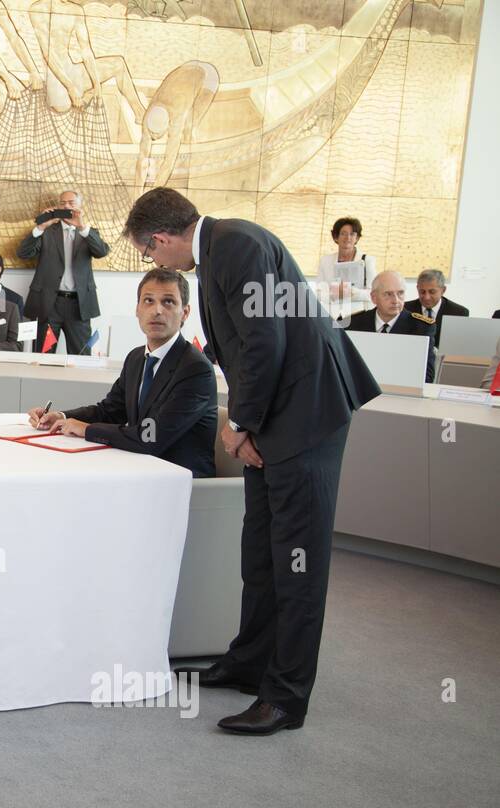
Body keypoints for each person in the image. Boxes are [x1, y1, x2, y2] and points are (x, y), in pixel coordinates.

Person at [123, 187, 380, 736]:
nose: (157, 264)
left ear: (161, 239)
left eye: (151, 254)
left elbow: (265, 343)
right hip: (275, 416)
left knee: (298, 560)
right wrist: (247, 423)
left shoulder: (236, 244)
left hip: (307, 414)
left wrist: (238, 424)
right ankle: (250, 662)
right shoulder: (221, 248)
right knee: (262, 550)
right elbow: (244, 349)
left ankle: (286, 696)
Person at [27, 268, 217, 477]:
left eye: (168, 302)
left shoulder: (195, 368)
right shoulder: (136, 358)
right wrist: (62, 417)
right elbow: (110, 411)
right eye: (148, 301)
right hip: (140, 469)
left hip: (181, 481)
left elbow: (150, 436)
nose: (157, 311)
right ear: (137, 310)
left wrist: (86, 429)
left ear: (185, 313)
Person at [16, 188, 109, 353]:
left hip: (78, 306)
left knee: (81, 356)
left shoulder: (88, 232)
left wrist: (82, 227)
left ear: (79, 207)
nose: (66, 206)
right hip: (50, 304)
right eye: (62, 203)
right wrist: (41, 227)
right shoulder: (47, 232)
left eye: (71, 203)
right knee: (44, 354)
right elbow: (23, 253)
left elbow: (101, 252)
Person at [348, 271, 435, 381]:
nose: (396, 300)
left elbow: (427, 376)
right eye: (388, 294)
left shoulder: (421, 328)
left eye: (400, 293)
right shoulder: (354, 323)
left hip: (402, 391)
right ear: (374, 298)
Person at [316, 217, 375, 319]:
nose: (348, 237)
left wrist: (351, 292)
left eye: (352, 234)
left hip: (359, 316)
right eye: (343, 233)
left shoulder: (367, 261)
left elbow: (373, 294)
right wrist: (334, 294)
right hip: (332, 316)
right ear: (336, 237)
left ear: (357, 238)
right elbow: (319, 292)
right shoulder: (325, 261)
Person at [405, 268, 468, 350]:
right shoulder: (405, 309)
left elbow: (459, 346)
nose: (426, 297)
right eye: (422, 292)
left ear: (443, 290)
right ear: (417, 288)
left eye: (432, 292)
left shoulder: (459, 313)